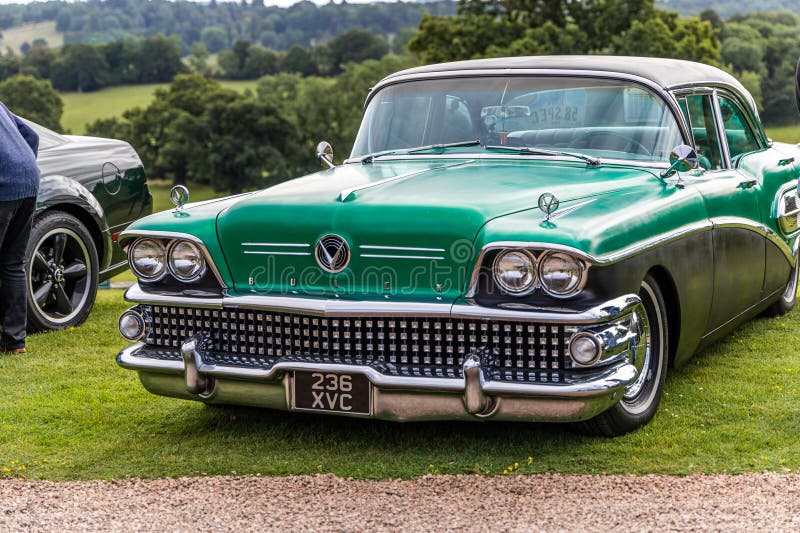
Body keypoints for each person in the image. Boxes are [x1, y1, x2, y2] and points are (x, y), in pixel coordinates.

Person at [0, 102, 40, 354]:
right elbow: (31, 136)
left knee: (12, 264)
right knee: (13, 263)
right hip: (28, 180)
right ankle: (15, 343)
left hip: (4, 187)